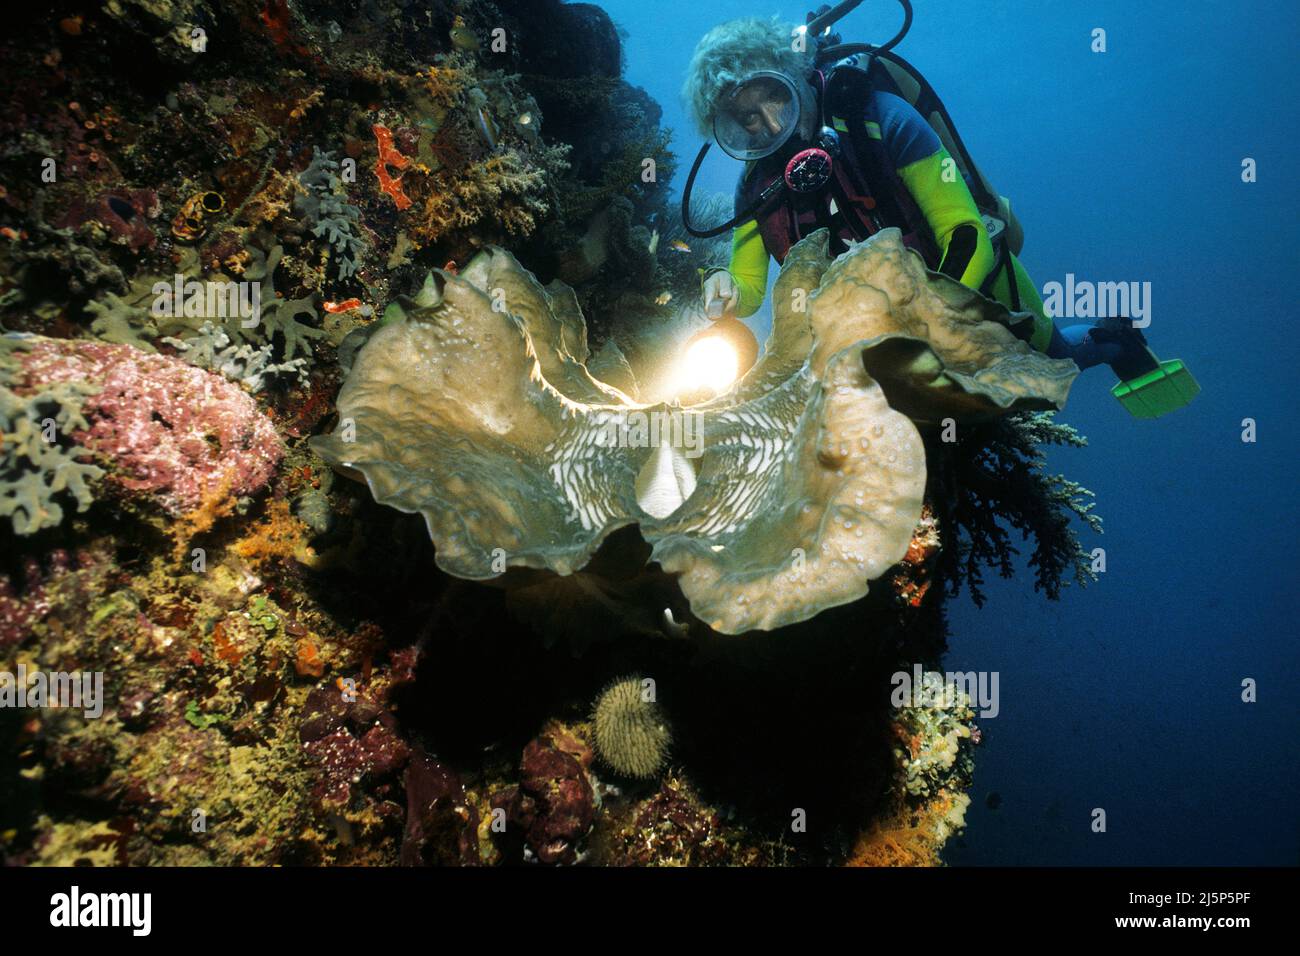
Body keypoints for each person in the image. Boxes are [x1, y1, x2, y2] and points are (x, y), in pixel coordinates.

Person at [682, 16, 1197, 417]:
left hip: (980, 289)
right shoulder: (757, 185)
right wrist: (722, 285)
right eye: (748, 116)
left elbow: (966, 231)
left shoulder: (880, 120)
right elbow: (746, 288)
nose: (772, 123)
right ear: (728, 125)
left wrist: (923, 320)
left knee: (1051, 360)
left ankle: (1113, 339)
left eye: (775, 96)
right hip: (874, 340)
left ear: (794, 77)